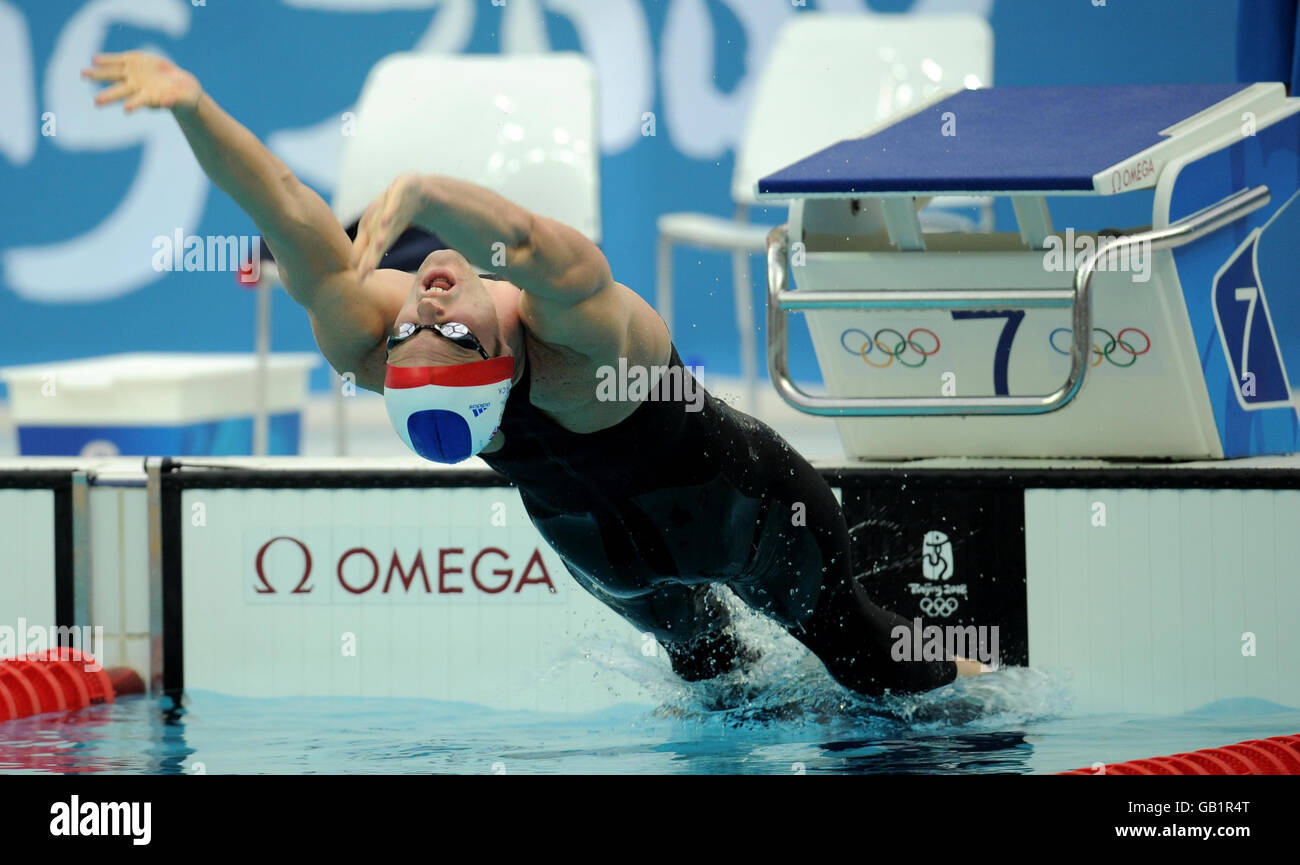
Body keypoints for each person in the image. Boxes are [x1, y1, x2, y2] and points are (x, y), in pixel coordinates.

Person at [85, 51, 985, 695]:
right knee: (717, 689)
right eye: (435, 331)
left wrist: (196, 108)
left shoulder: (547, 343)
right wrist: (419, 190)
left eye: (418, 324)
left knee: (880, 672)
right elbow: (502, 241)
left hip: (746, 515)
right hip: (606, 556)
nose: (428, 304)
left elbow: (299, 208)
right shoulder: (494, 344)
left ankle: (985, 679)